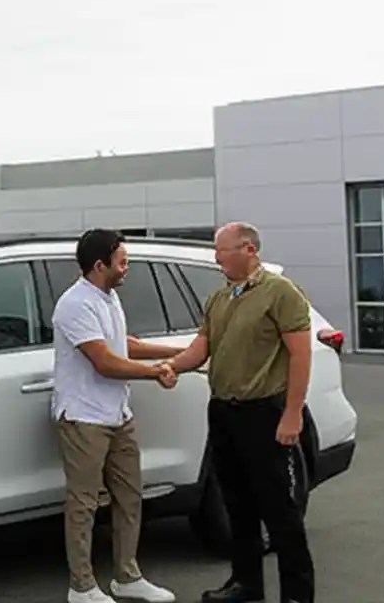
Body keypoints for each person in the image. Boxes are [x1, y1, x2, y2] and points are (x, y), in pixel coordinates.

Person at [161, 222, 316, 603]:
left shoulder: (281, 293)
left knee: (280, 511)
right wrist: (171, 367)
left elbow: (301, 354)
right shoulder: (220, 298)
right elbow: (201, 349)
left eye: (222, 251)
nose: (217, 258)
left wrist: (292, 415)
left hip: (265, 412)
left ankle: (297, 595)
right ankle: (246, 585)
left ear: (248, 248)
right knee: (237, 505)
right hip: (225, 413)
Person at [52, 229, 182, 603]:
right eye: (122, 262)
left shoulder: (110, 298)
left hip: (117, 414)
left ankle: (127, 576)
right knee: (84, 503)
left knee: (130, 497)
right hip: (83, 417)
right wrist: (157, 372)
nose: (127, 268)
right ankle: (82, 587)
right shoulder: (75, 304)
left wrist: (179, 355)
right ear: (99, 265)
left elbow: (125, 346)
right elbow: (105, 362)